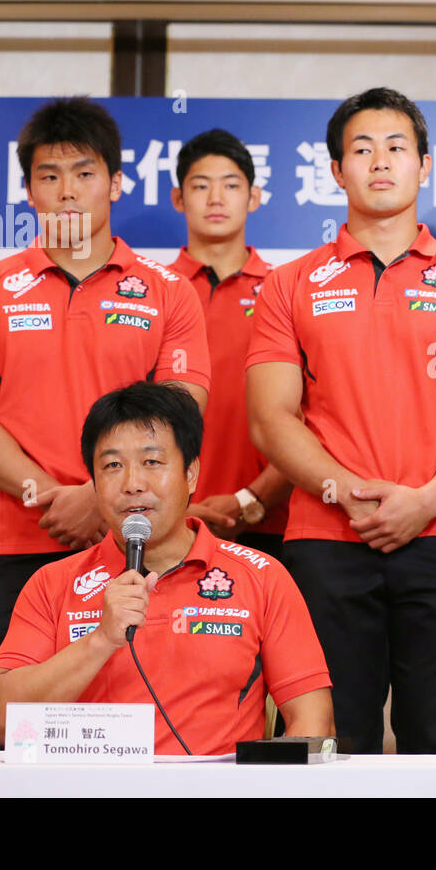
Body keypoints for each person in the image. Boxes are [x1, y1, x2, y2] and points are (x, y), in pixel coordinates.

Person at [246, 87, 436, 754]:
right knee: (334, 739)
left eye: (397, 148)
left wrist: (424, 502)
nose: (380, 162)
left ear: (425, 165)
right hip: (326, 539)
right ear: (336, 171)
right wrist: (345, 491)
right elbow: (271, 420)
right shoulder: (288, 285)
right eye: (361, 150)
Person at [0, 96, 211, 747]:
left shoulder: (167, 291)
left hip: (141, 550)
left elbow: (180, 411)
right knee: (12, 738)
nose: (67, 192)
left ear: (116, 182)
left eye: (84, 173)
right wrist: (43, 492)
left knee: (139, 735)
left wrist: (100, 497)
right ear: (27, 187)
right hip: (16, 548)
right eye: (49, 175)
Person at [0, 382, 332, 754]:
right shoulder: (52, 584)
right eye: (113, 466)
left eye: (152, 462)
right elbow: (1, 722)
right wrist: (100, 640)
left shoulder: (262, 576)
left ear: (191, 474)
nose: (133, 484)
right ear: (94, 484)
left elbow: (312, 719)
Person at [169, 129, 292, 559]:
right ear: (178, 199)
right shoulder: (150, 291)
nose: (216, 198)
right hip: (163, 525)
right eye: (201, 186)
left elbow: (315, 416)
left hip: (275, 519)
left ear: (254, 197)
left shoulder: (288, 290)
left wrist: (251, 499)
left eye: (231, 185)